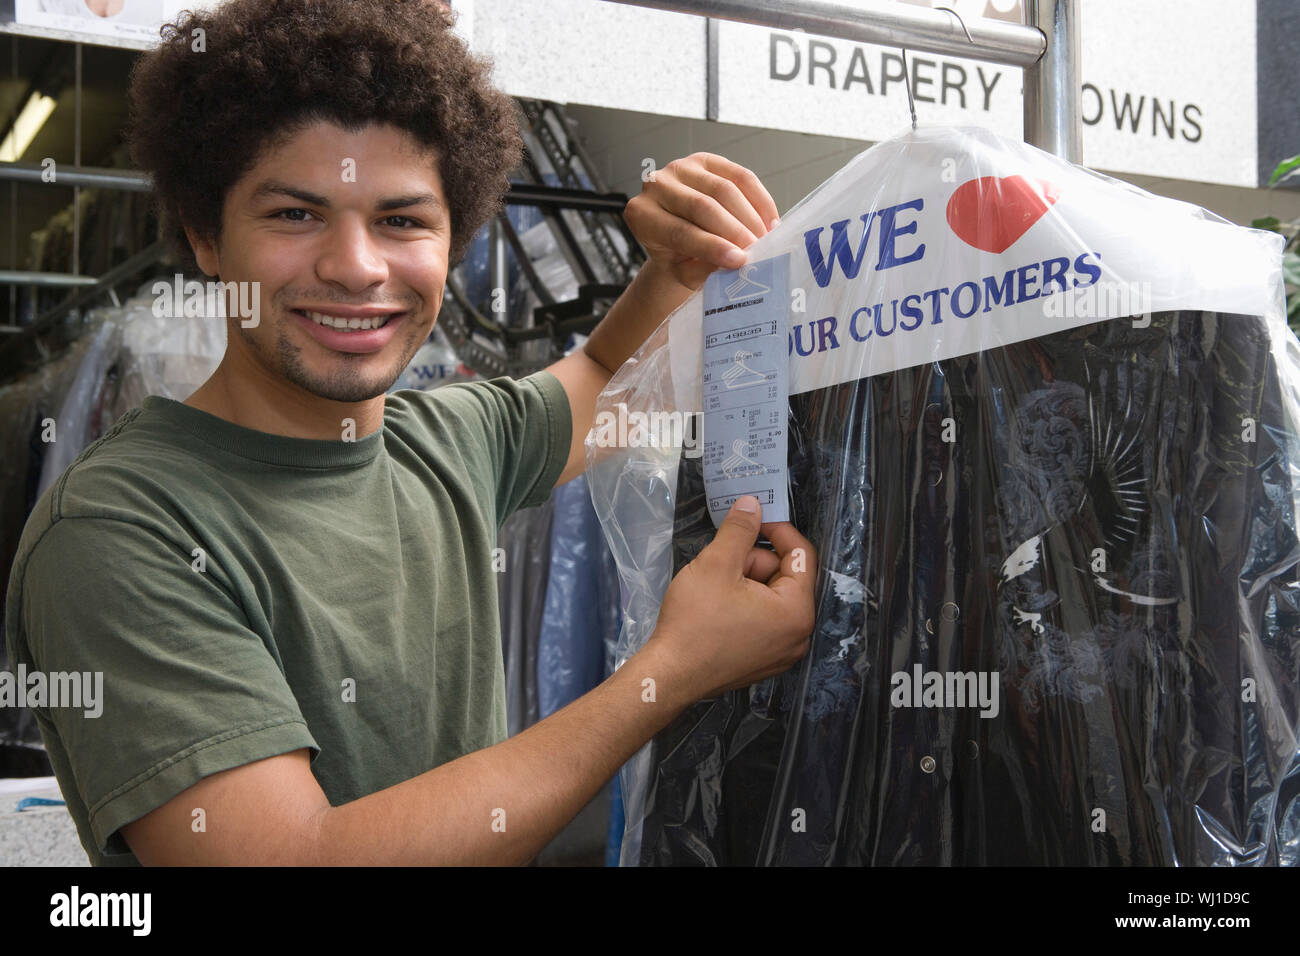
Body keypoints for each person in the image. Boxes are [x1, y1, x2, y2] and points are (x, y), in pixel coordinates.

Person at [3, 0, 816, 865]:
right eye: (294, 214)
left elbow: (603, 381)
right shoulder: (119, 531)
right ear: (206, 237)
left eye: (401, 220)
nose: (356, 267)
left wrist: (672, 266)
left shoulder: (449, 437)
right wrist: (672, 672)